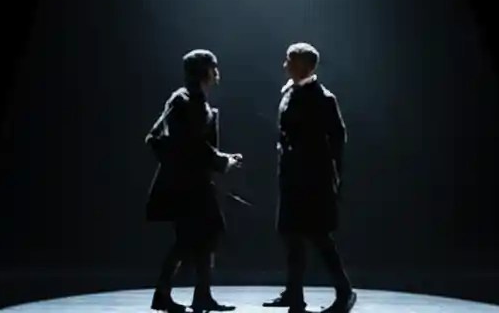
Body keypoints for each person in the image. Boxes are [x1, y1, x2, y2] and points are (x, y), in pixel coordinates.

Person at [146, 49, 244, 313]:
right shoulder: (186, 101)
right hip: (187, 186)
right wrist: (223, 161)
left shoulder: (192, 100)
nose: (217, 72)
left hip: (194, 184)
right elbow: (192, 145)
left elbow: (191, 144)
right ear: (205, 71)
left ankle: (199, 295)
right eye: (214, 67)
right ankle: (165, 294)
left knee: (202, 239)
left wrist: (220, 160)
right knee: (189, 240)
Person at [263, 43, 355, 313]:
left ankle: (344, 291)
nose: (285, 65)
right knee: (292, 236)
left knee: (319, 236)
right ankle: (294, 293)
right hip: (293, 176)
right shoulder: (291, 92)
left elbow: (338, 137)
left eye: (289, 61)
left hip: (313, 178)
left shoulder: (322, 97)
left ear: (303, 65)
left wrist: (333, 175)